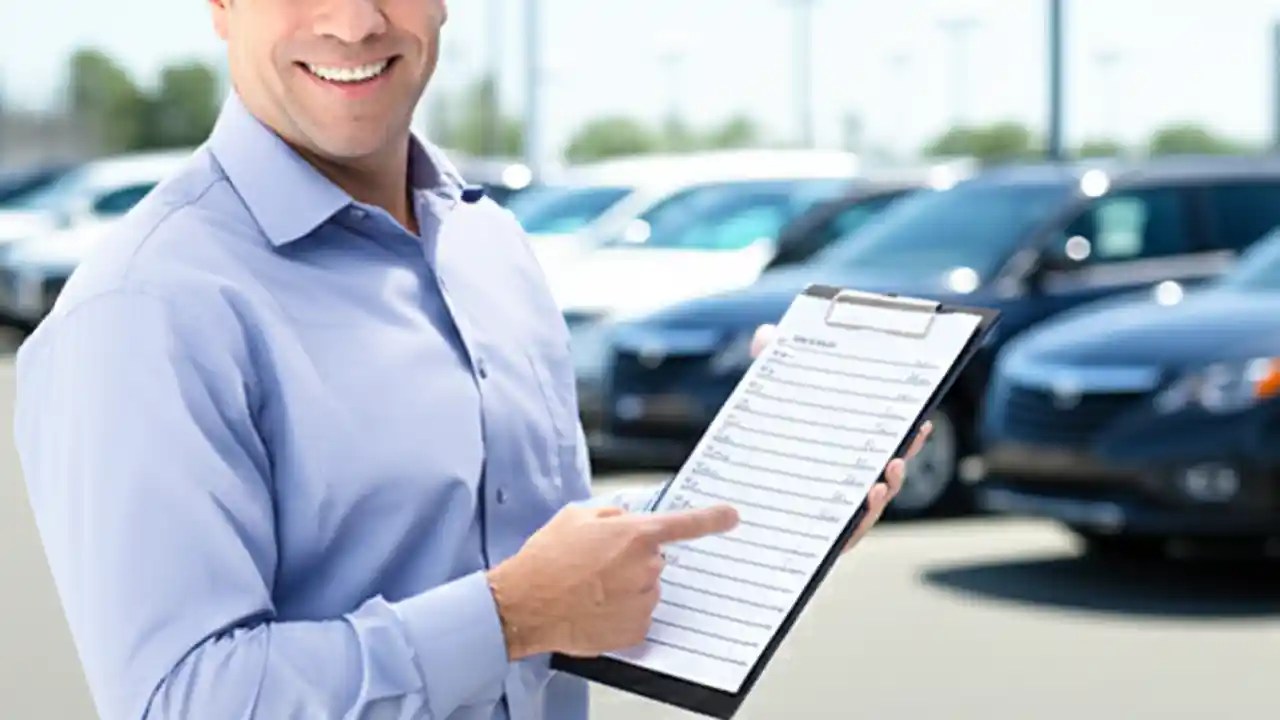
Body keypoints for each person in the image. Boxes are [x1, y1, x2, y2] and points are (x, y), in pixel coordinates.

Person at [13, 1, 930, 719]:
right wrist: (507, 617)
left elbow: (563, 582)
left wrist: (770, 517)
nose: (356, 21)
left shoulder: (488, 243)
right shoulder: (145, 307)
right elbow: (183, 702)